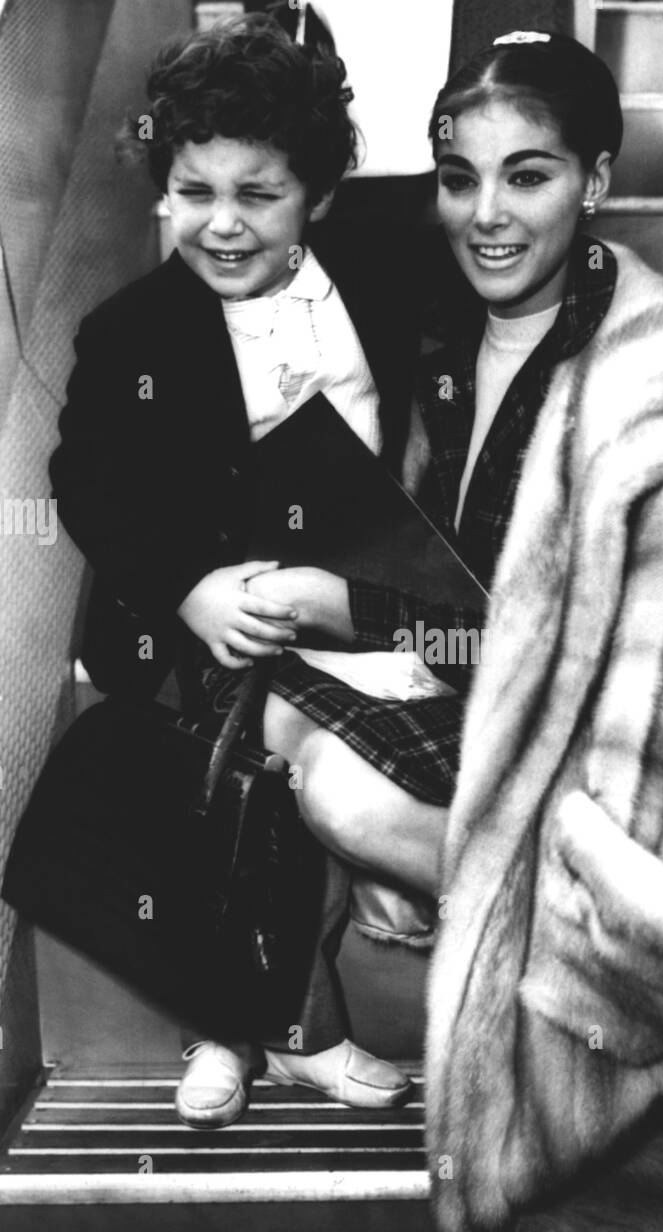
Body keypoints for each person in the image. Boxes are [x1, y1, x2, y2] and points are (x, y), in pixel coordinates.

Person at [251, 29, 663, 1232]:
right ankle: (374, 915)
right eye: (459, 177)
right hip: (481, 695)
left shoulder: (659, 402)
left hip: (588, 759)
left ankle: (450, 891)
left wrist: (361, 614)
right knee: (250, 694)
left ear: (595, 181)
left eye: (528, 175)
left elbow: (645, 716)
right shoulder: (430, 328)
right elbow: (465, 587)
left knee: (337, 786)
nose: (485, 213)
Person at [48, 13, 422, 1126]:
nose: (221, 224)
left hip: (361, 591)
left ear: (319, 194)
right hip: (212, 610)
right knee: (227, 756)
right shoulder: (131, 334)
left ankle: (309, 1016)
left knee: (367, 737)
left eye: (257, 195)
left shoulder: (390, 274)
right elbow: (89, 484)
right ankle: (232, 1021)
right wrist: (185, 588)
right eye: (193, 191)